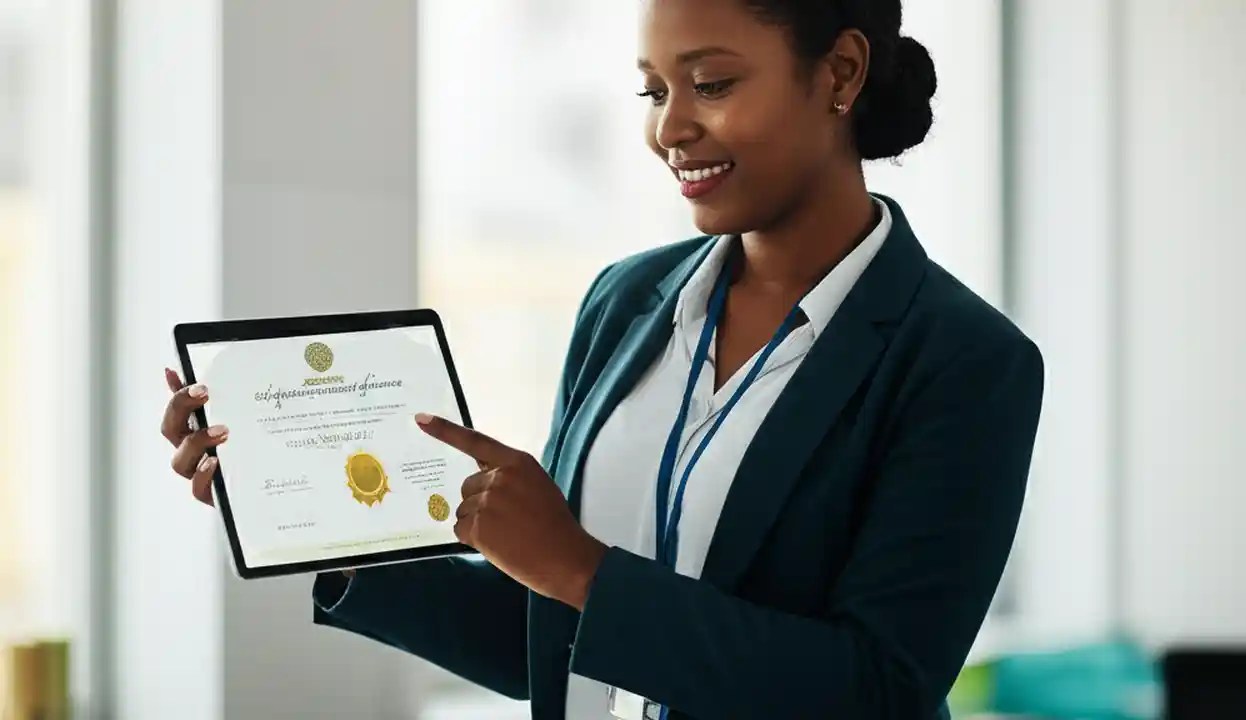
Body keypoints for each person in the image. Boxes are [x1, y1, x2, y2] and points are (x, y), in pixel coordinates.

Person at [161, 0, 1044, 717]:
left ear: (840, 73)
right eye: (653, 91)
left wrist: (579, 567)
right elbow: (547, 637)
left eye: (711, 83)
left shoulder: (963, 361)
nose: (672, 129)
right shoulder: (624, 301)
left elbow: (877, 693)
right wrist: (315, 523)